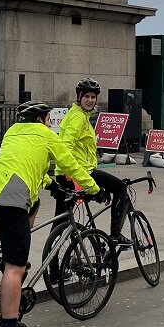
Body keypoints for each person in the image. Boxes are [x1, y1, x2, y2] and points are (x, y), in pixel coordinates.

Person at [0, 100, 99, 327]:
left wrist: (51, 185)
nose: (49, 124)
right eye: (48, 120)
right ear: (42, 120)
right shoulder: (46, 135)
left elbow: (27, 164)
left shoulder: (12, 132)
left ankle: (16, 262)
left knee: (32, 207)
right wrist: (93, 188)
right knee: (15, 266)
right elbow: (70, 165)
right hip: (10, 200)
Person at [58, 78, 131, 248]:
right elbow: (66, 146)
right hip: (81, 172)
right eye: (87, 97)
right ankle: (115, 235)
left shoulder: (77, 115)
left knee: (60, 224)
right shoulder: (78, 118)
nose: (90, 100)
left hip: (66, 174)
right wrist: (74, 174)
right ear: (79, 97)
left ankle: (54, 270)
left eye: (93, 97)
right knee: (120, 188)